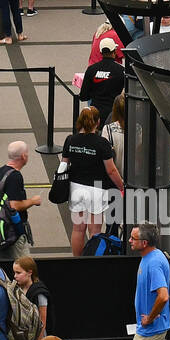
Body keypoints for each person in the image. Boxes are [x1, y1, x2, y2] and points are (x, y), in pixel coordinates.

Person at [62, 106, 125, 257]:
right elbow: (111, 170)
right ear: (97, 122)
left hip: (76, 188)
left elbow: (64, 164)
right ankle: (91, 261)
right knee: (95, 230)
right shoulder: (101, 143)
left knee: (78, 229)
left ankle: (77, 260)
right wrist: (122, 185)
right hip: (96, 190)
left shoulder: (71, 140)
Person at [128, 224, 170, 340]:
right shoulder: (154, 256)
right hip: (158, 327)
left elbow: (163, 296)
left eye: (133, 238)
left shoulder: (153, 264)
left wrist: (149, 319)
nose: (129, 240)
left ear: (144, 243)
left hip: (150, 329)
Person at [0, 140, 39, 259]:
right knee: (24, 265)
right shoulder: (15, 177)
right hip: (13, 230)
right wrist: (33, 201)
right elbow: (14, 205)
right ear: (23, 156)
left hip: (0, 229)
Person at [13, 256, 51, 340]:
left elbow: (43, 321)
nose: (15, 276)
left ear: (30, 272)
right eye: (14, 272)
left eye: (18, 273)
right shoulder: (17, 289)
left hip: (38, 339)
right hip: (23, 337)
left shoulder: (39, 293)